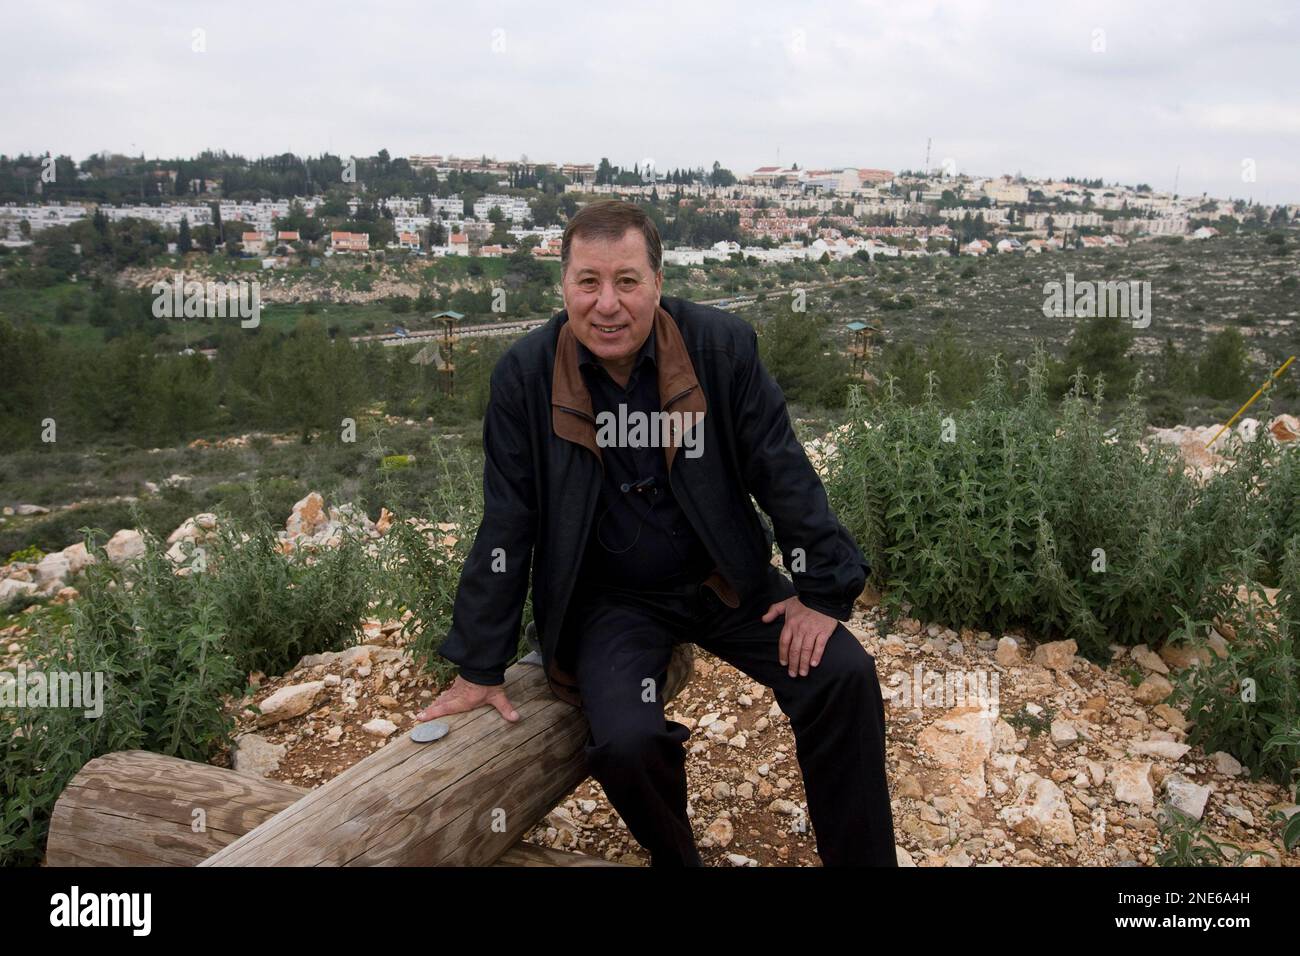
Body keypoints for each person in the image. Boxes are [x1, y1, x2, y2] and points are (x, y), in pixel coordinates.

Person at [417, 199, 896, 866]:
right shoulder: (524, 379)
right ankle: (678, 859)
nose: (606, 304)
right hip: (609, 603)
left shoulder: (720, 350)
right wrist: (479, 664)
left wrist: (822, 589)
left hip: (723, 579)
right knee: (625, 742)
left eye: (627, 281)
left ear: (658, 284)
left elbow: (780, 468)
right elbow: (507, 522)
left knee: (842, 674)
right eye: (588, 281)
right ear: (565, 286)